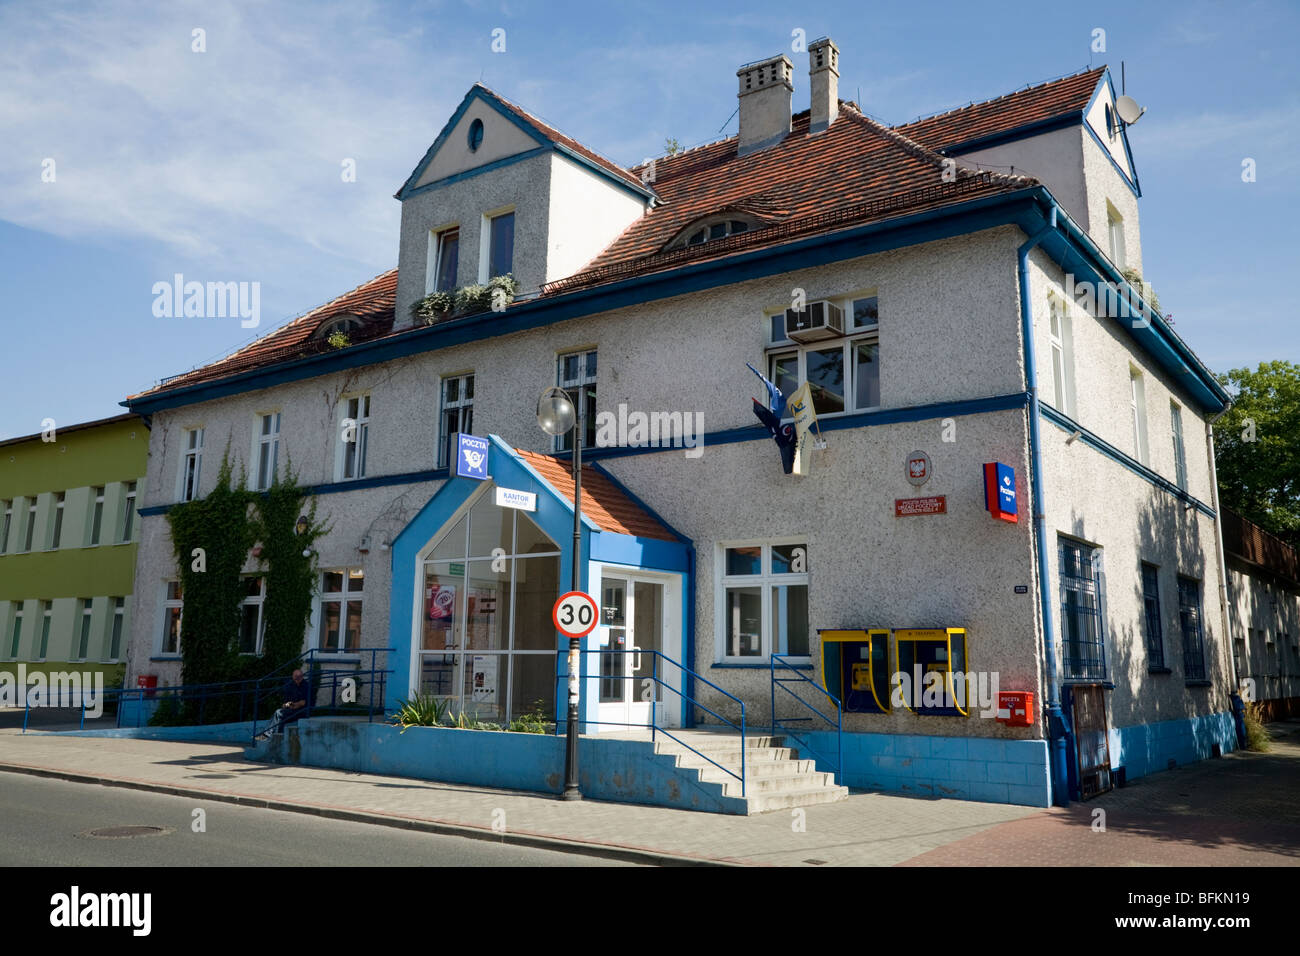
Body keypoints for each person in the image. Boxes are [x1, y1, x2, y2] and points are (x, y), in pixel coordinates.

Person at [259, 668, 310, 739]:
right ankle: (275, 736)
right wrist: (287, 704)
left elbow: (303, 702)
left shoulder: (305, 686)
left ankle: (267, 735)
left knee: (279, 713)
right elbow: (285, 704)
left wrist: (294, 705)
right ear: (293, 676)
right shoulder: (291, 686)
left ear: (302, 676)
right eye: (295, 676)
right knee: (279, 715)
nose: (297, 678)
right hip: (291, 710)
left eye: (299, 676)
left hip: (302, 711)